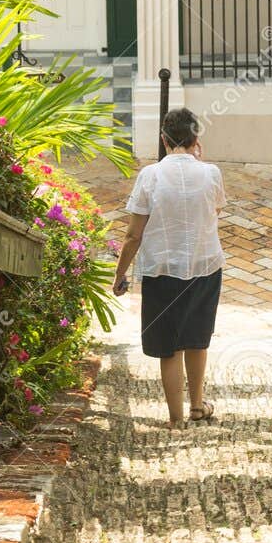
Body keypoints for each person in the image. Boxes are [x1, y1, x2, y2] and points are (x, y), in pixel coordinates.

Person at [113, 108, 226, 428]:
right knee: (196, 338)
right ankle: (197, 406)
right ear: (195, 139)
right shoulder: (211, 173)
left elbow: (133, 234)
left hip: (161, 270)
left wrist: (120, 274)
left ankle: (176, 419)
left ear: (163, 140)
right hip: (205, 266)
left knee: (169, 346)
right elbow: (215, 208)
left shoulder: (149, 176)